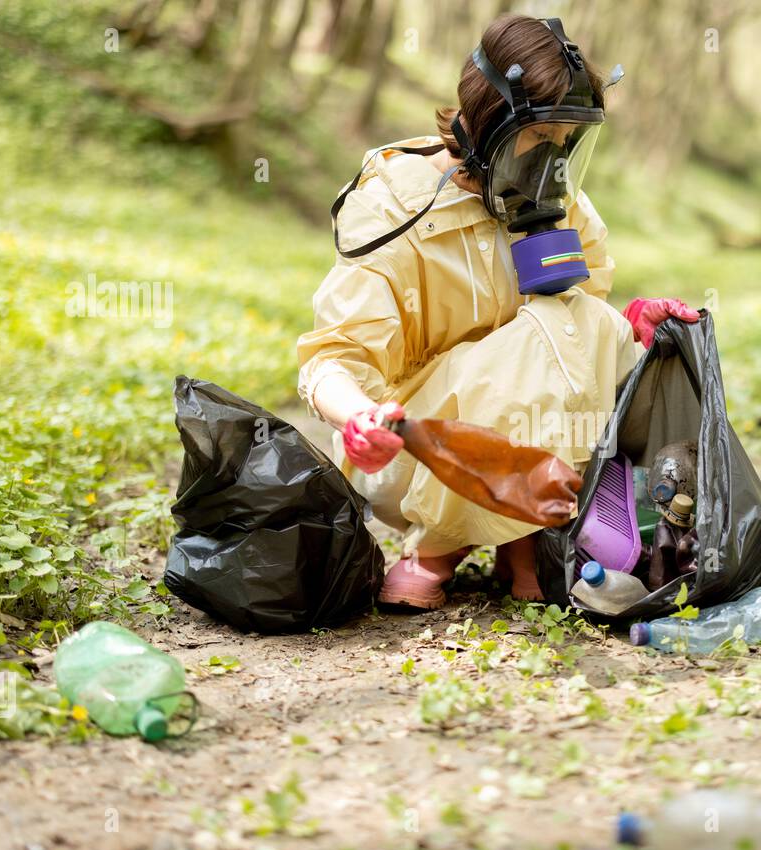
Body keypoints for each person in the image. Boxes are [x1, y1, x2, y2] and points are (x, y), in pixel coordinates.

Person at [297, 14, 698, 610]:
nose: (553, 163)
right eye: (540, 141)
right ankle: (437, 548)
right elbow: (333, 357)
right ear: (487, 122)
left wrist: (632, 325)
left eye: (568, 145)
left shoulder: (558, 203)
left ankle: (528, 538)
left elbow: (582, 332)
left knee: (581, 323)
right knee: (551, 327)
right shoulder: (394, 209)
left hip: (528, 453)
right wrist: (357, 419)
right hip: (413, 453)